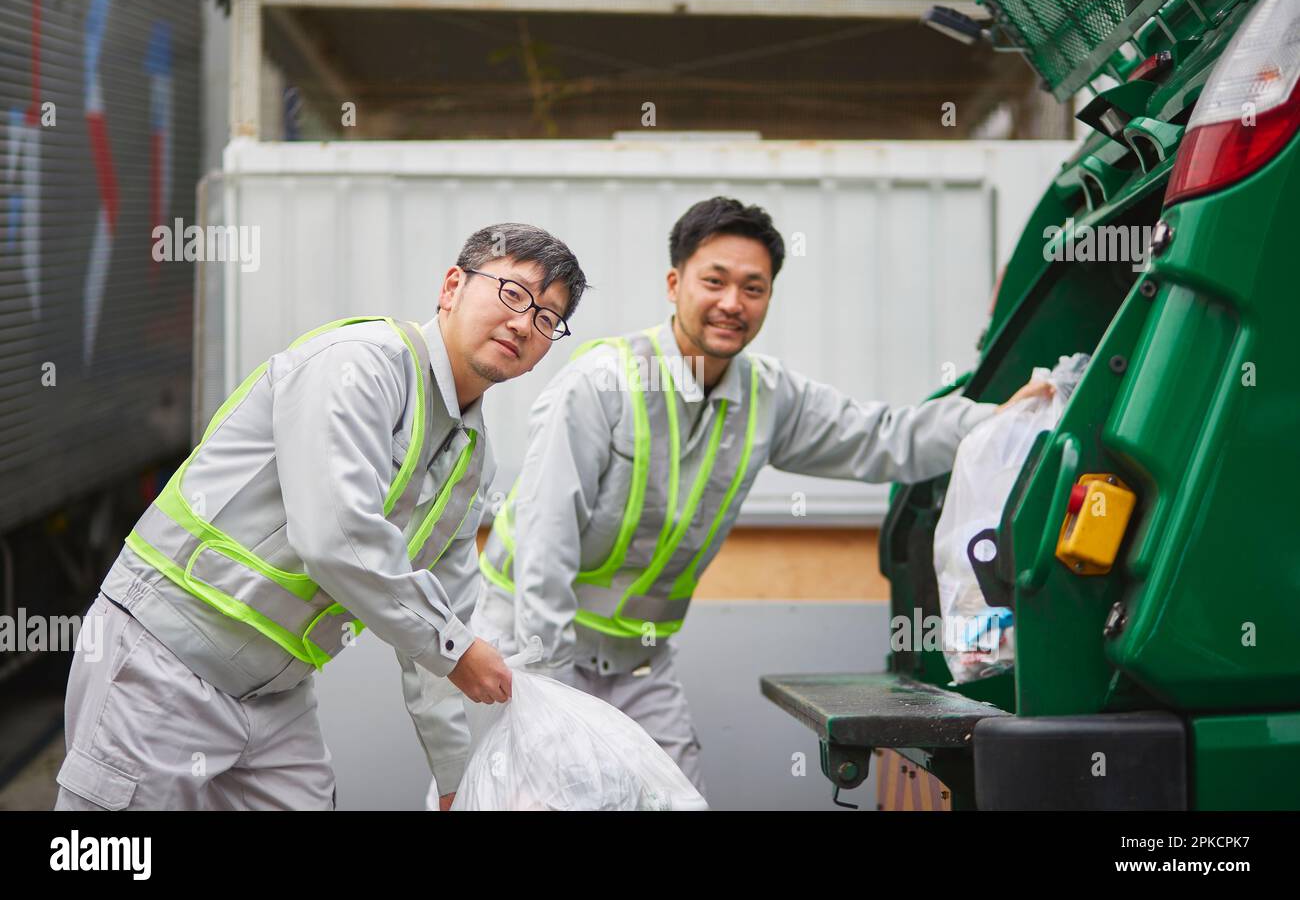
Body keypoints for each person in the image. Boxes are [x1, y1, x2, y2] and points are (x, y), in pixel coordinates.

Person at [428, 197, 1050, 808]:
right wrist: (550, 697)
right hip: (528, 654)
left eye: (753, 288)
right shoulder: (602, 384)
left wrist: (999, 422)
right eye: (714, 281)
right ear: (675, 284)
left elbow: (885, 436)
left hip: (640, 665)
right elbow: (544, 545)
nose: (732, 303)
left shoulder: (769, 396)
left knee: (675, 801)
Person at [54, 223, 586, 810]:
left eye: (546, 318)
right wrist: (457, 649)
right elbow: (336, 536)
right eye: (513, 293)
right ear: (452, 286)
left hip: (276, 695)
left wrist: (458, 780)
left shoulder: (471, 457)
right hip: (163, 656)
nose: (523, 322)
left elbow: (443, 616)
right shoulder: (359, 365)